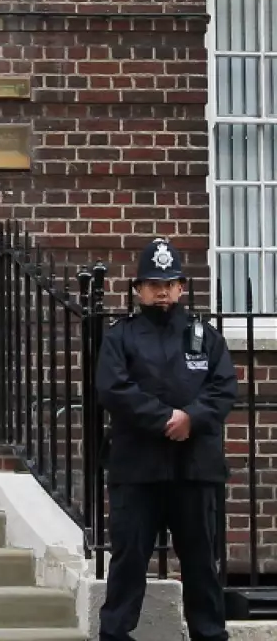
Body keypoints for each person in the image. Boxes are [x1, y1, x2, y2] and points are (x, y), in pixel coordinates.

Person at [96, 236, 238, 641]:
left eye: (170, 282)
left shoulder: (205, 336)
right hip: (137, 469)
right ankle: (115, 633)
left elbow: (224, 387)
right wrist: (165, 419)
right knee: (128, 561)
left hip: (194, 468)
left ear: (181, 287)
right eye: (153, 283)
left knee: (199, 562)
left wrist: (191, 418)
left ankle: (209, 634)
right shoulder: (119, 337)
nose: (162, 290)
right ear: (138, 289)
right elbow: (113, 389)